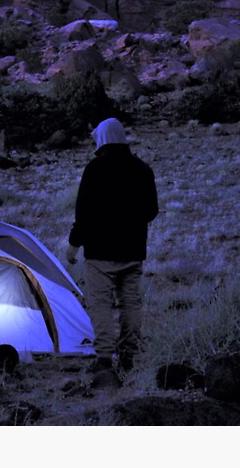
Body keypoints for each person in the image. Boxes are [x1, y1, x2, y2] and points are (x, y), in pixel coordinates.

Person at [66, 117, 158, 373]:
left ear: (102, 139)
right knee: (130, 303)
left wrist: (74, 244)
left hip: (99, 253)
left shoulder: (94, 169)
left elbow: (83, 213)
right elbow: (151, 211)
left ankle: (104, 358)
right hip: (132, 250)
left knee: (100, 304)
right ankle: (128, 356)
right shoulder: (142, 169)